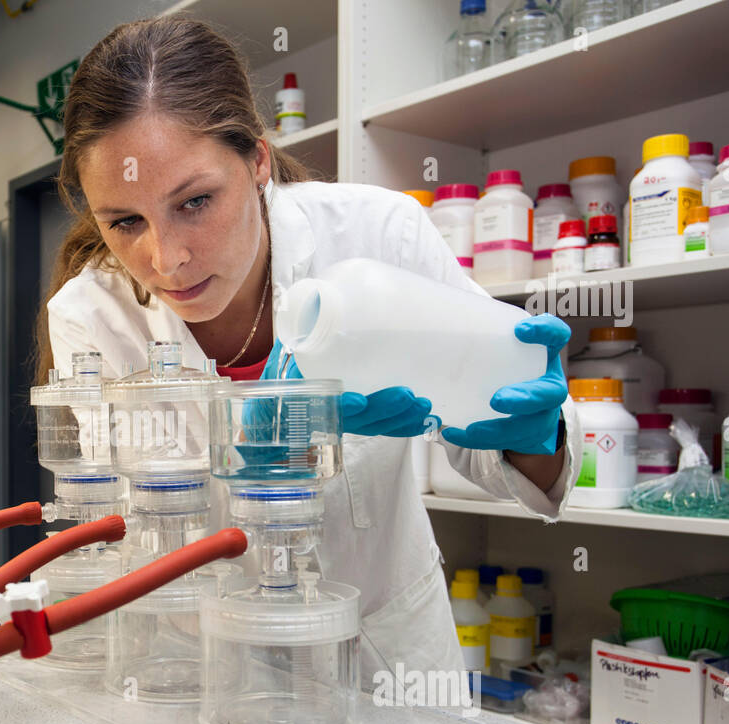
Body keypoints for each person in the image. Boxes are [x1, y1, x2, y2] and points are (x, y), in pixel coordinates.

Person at [35, 16, 580, 678]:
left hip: (389, 650)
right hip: (205, 664)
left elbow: (504, 449)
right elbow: (126, 530)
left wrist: (531, 433)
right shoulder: (92, 318)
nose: (168, 258)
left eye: (195, 201)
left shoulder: (380, 236)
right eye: (125, 221)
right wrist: (247, 449)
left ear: (257, 160)